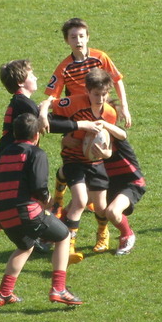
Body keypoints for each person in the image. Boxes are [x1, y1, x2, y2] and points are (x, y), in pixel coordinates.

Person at [0, 59, 99, 265]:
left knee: (23, 200)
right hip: (11, 163)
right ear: (22, 82)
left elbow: (47, 119)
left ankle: (37, 236)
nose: (36, 78)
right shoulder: (24, 103)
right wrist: (81, 124)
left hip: (15, 159)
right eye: (32, 75)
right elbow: (48, 123)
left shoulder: (22, 102)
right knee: (16, 201)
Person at [39, 17, 132, 214]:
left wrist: (124, 106)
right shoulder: (64, 67)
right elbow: (51, 96)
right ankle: (65, 190)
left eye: (81, 36)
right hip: (77, 116)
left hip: (100, 112)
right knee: (75, 152)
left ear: (88, 37)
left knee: (97, 153)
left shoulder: (100, 57)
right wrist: (43, 113)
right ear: (67, 41)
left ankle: (91, 196)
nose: (78, 40)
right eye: (73, 37)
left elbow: (117, 79)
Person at [0, 113, 82, 307]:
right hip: (26, 211)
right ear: (37, 135)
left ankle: (4, 293)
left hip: (2, 213)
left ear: (15, 133)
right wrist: (48, 202)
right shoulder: (35, 153)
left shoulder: (4, 153)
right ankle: (59, 288)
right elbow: (39, 186)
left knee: (25, 246)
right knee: (63, 235)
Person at [50, 68, 127, 263]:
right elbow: (50, 112)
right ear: (87, 90)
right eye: (96, 94)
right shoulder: (73, 103)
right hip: (73, 159)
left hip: (95, 161)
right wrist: (67, 134)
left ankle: (103, 233)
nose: (100, 99)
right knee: (80, 201)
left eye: (104, 94)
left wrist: (106, 154)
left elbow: (108, 142)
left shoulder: (109, 113)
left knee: (100, 206)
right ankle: (69, 246)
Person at [98, 131, 147, 256]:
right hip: (108, 185)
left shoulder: (115, 135)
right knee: (76, 203)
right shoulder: (86, 136)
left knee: (112, 212)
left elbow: (122, 134)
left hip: (131, 183)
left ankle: (127, 234)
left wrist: (102, 124)